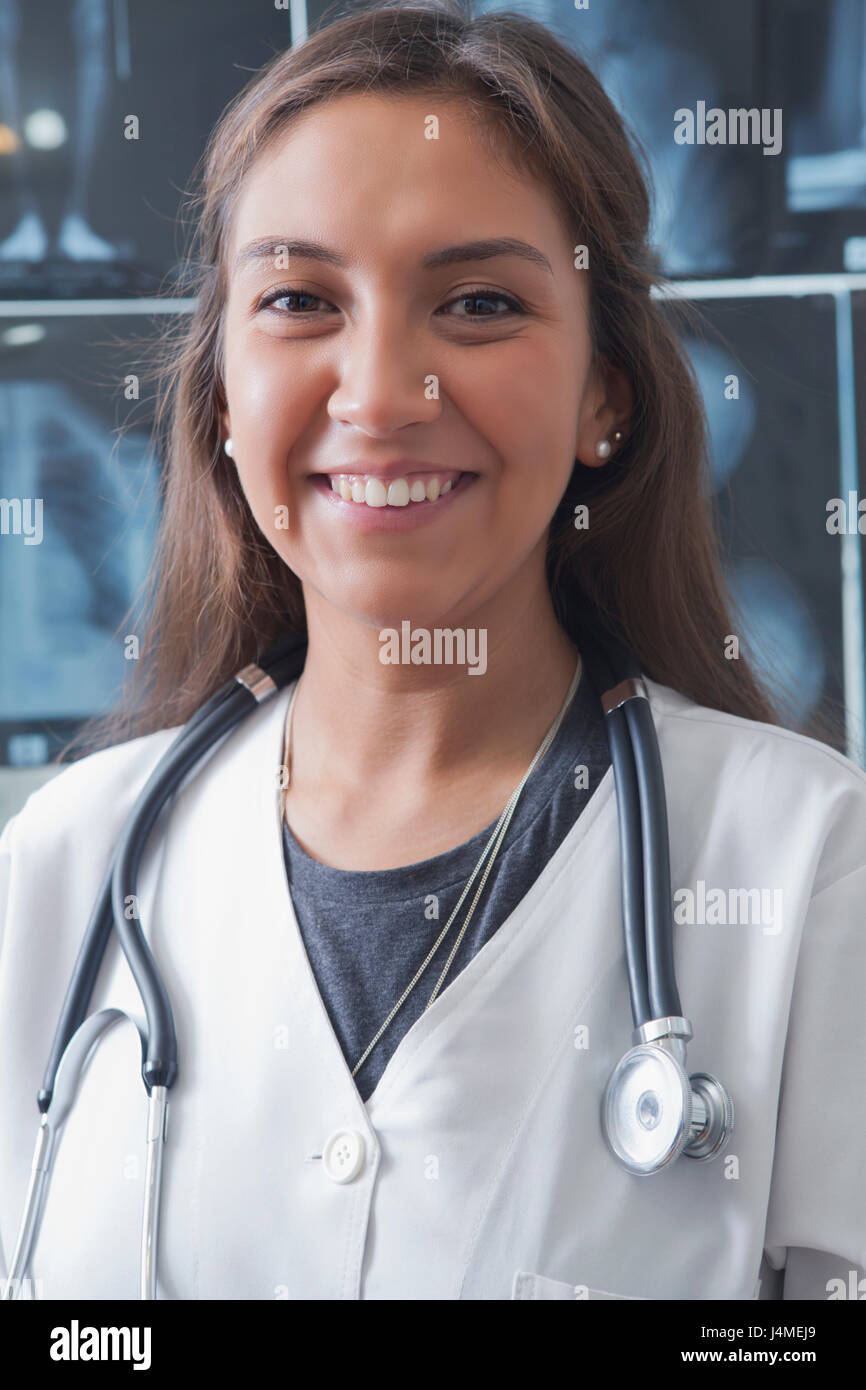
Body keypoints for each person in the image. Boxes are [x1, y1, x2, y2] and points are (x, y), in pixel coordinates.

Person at [1, 0, 864, 1301]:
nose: (379, 393)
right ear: (224, 394)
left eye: (475, 302)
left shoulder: (800, 867)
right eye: (298, 299)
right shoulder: (57, 873)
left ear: (604, 394)